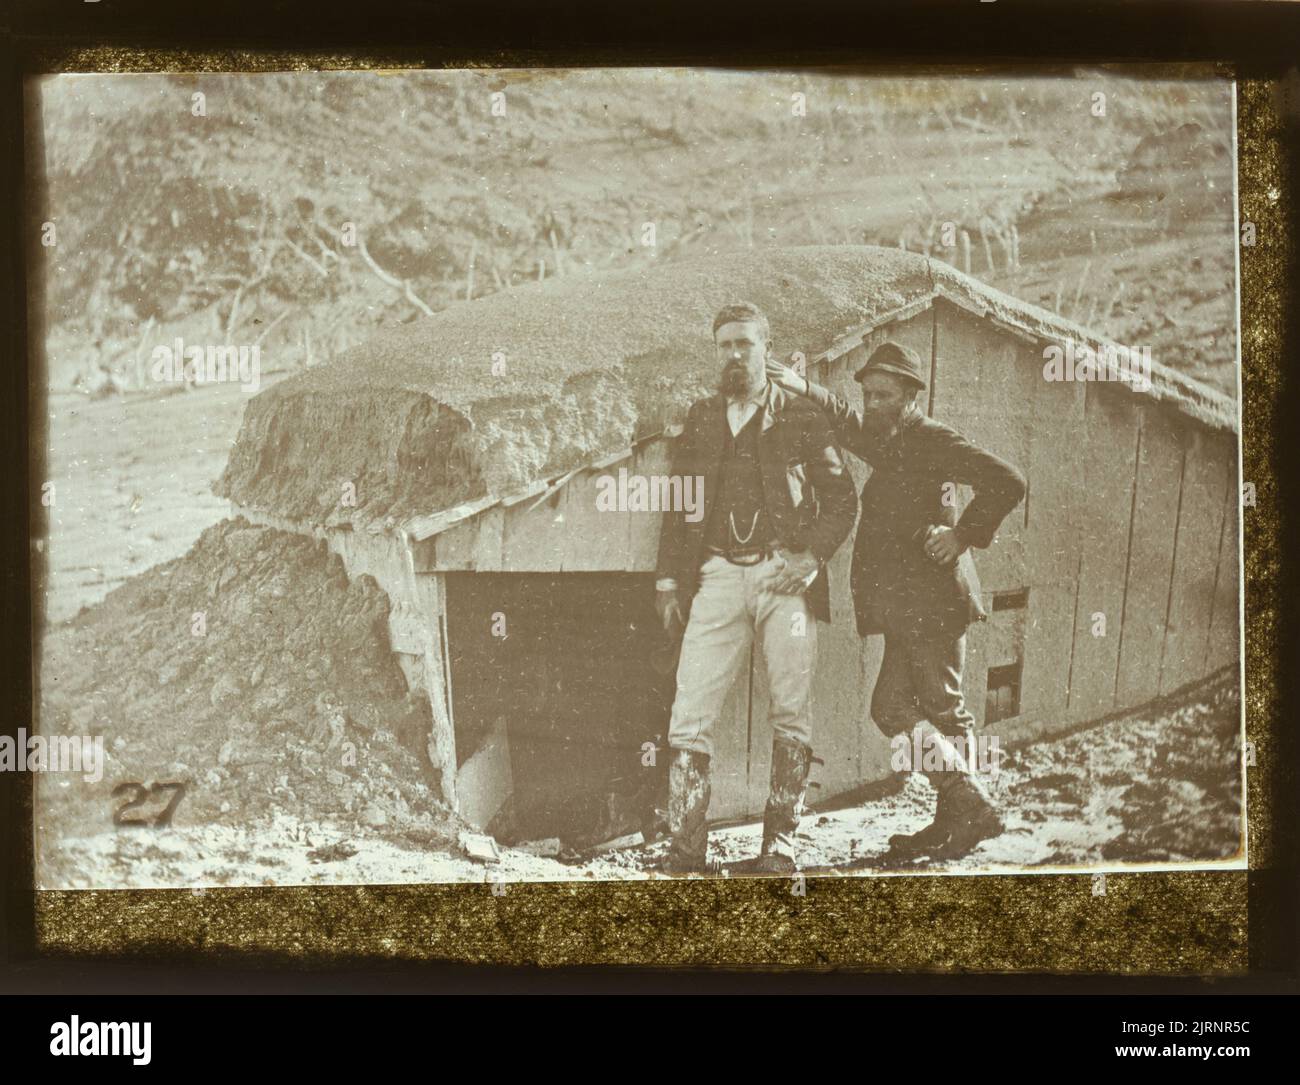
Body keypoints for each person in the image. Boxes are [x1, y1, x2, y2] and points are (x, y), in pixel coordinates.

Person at [767, 339, 1027, 862]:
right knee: (904, 707)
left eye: (885, 395)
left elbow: (1008, 480)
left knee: (934, 708)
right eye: (868, 394)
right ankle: (958, 813)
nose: (873, 404)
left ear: (911, 396)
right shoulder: (890, 438)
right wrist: (804, 388)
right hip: (910, 605)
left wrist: (963, 535)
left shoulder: (931, 438)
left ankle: (967, 808)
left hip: (936, 597)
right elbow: (847, 421)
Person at [654, 303, 858, 874]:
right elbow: (680, 504)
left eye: (746, 344)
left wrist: (810, 557)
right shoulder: (701, 419)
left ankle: (779, 846)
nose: (735, 355)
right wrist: (669, 579)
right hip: (717, 575)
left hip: (781, 579)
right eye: (725, 345)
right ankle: (686, 850)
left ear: (768, 348)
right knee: (689, 713)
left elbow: (843, 499)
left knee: (791, 710)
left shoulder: (800, 416)